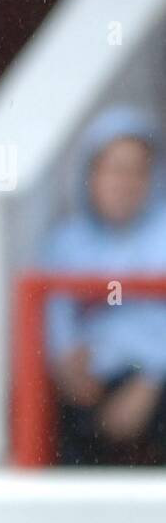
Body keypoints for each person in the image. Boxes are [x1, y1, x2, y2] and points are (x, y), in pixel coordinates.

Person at [42, 105, 166, 466]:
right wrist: (66, 362)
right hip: (93, 386)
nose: (124, 184)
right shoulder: (67, 242)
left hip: (156, 383)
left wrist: (151, 380)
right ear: (91, 174)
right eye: (113, 169)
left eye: (136, 171)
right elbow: (56, 315)